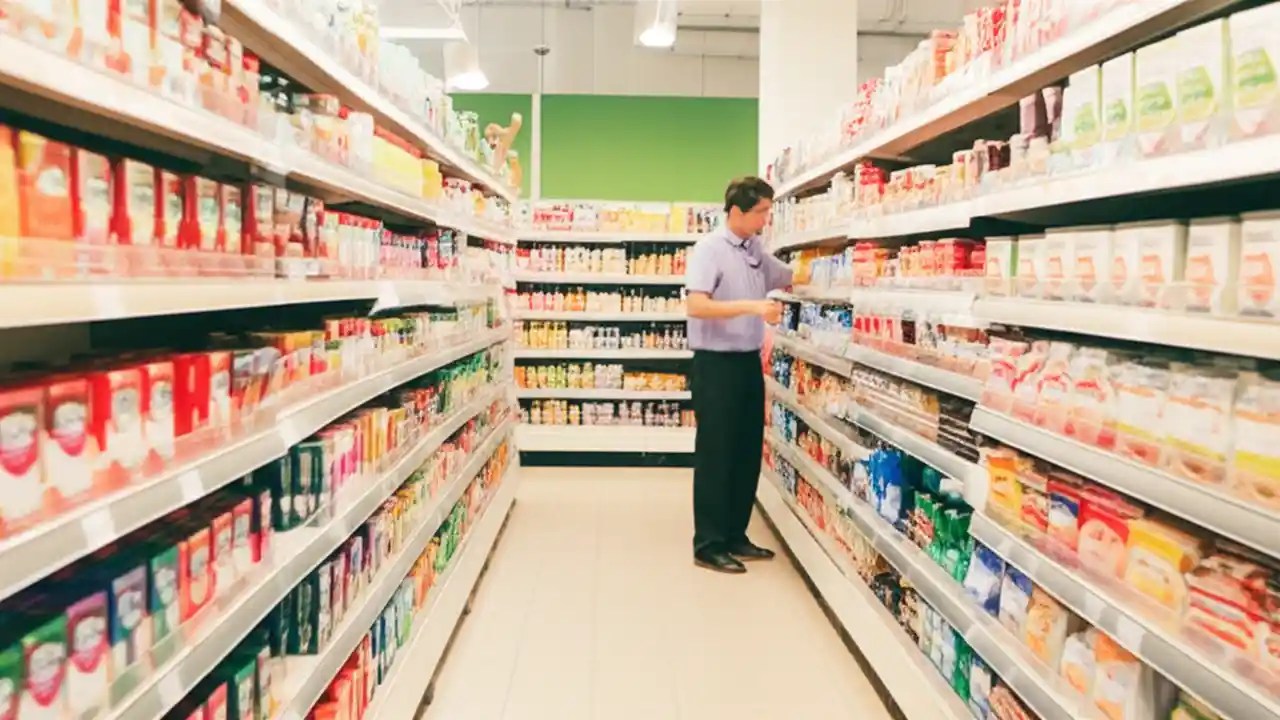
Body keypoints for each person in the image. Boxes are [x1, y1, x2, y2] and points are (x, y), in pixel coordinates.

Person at [684, 176, 793, 574]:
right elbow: (696, 305)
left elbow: (788, 275)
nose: (766, 219)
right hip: (715, 366)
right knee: (717, 454)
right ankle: (708, 543)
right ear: (737, 211)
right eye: (761, 211)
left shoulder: (755, 249)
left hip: (747, 363)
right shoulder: (709, 249)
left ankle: (735, 534)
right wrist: (752, 307)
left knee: (746, 451)